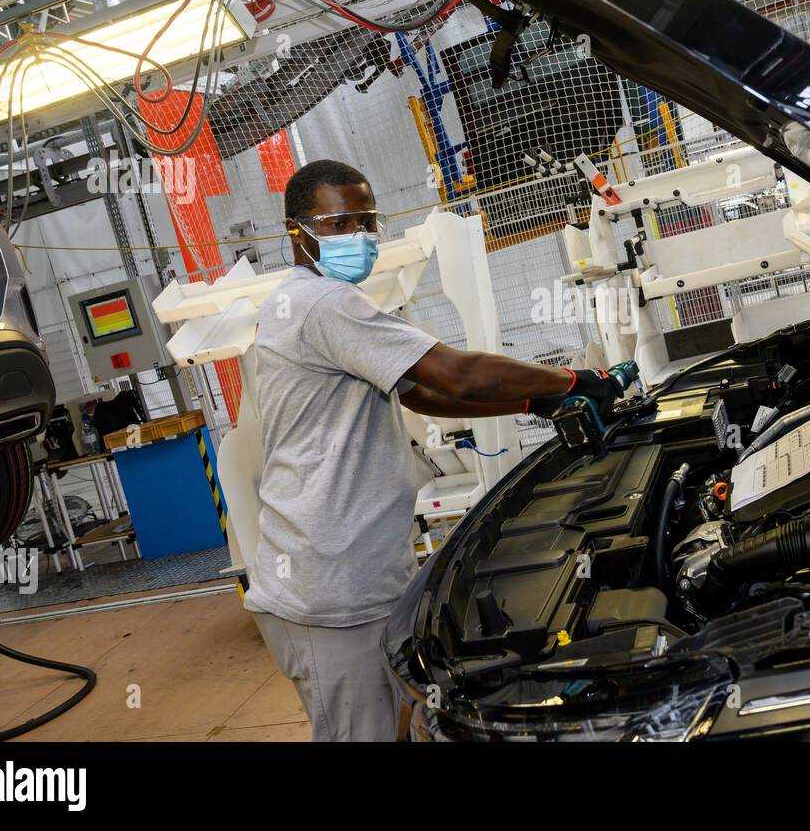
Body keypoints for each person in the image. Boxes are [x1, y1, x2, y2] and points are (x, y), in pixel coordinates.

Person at [245, 159, 625, 741]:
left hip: (355, 570)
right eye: (342, 223)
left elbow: (422, 394)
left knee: (404, 725)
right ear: (299, 231)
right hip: (329, 588)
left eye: (368, 221)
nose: (362, 237)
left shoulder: (315, 303)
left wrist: (533, 404)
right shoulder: (324, 305)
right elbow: (457, 374)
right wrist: (574, 381)